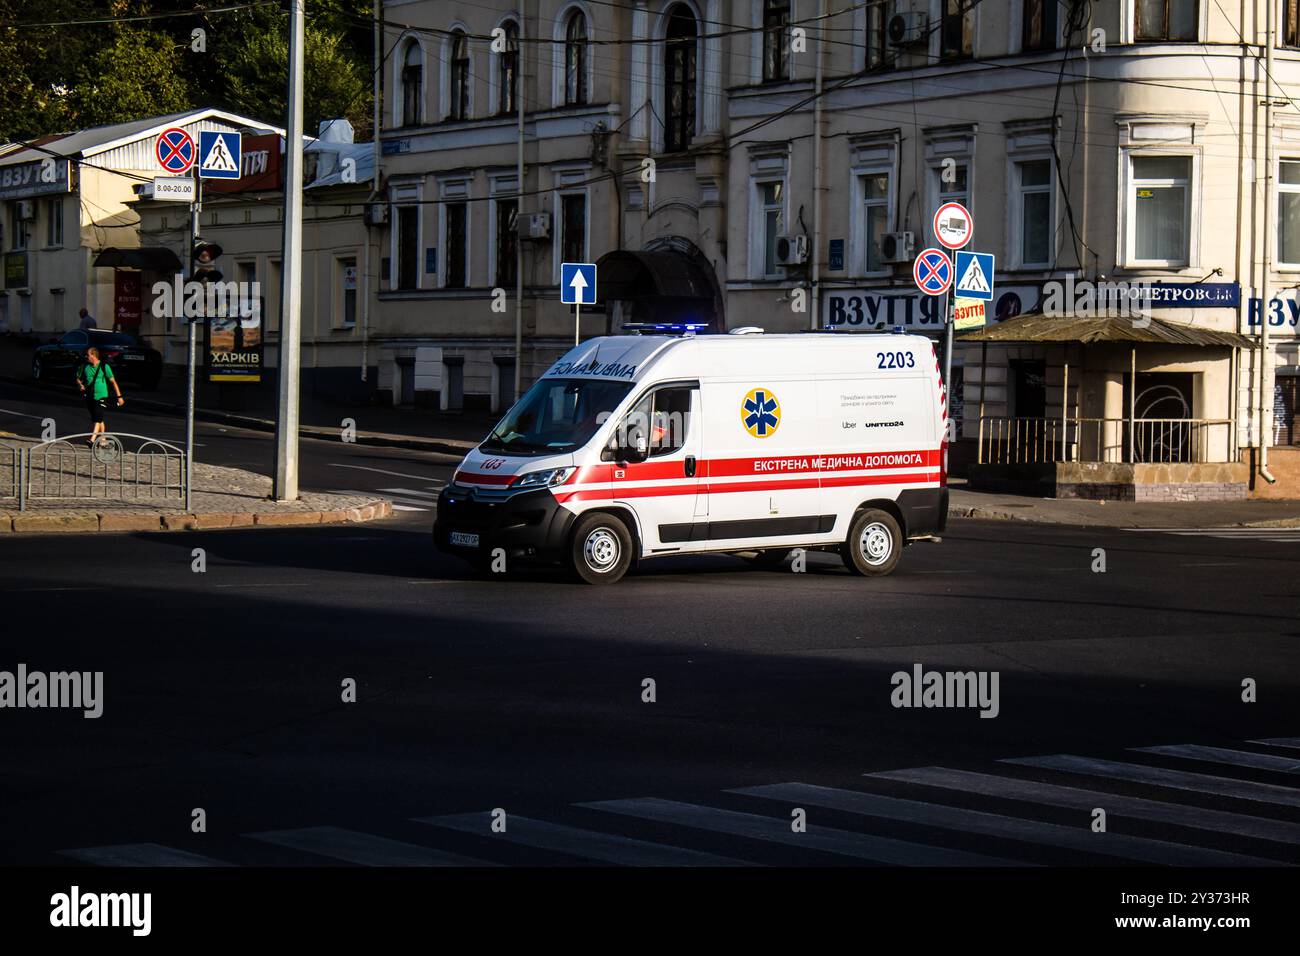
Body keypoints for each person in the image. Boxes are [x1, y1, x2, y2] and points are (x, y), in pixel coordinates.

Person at [77, 347, 124, 446]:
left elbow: (113, 382)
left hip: (102, 395)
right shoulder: (84, 366)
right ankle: (103, 440)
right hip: (89, 395)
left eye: (88, 355)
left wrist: (119, 397)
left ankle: (92, 439)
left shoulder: (104, 366)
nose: (86, 357)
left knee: (97, 417)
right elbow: (78, 378)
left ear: (93, 355)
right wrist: (80, 385)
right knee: (97, 418)